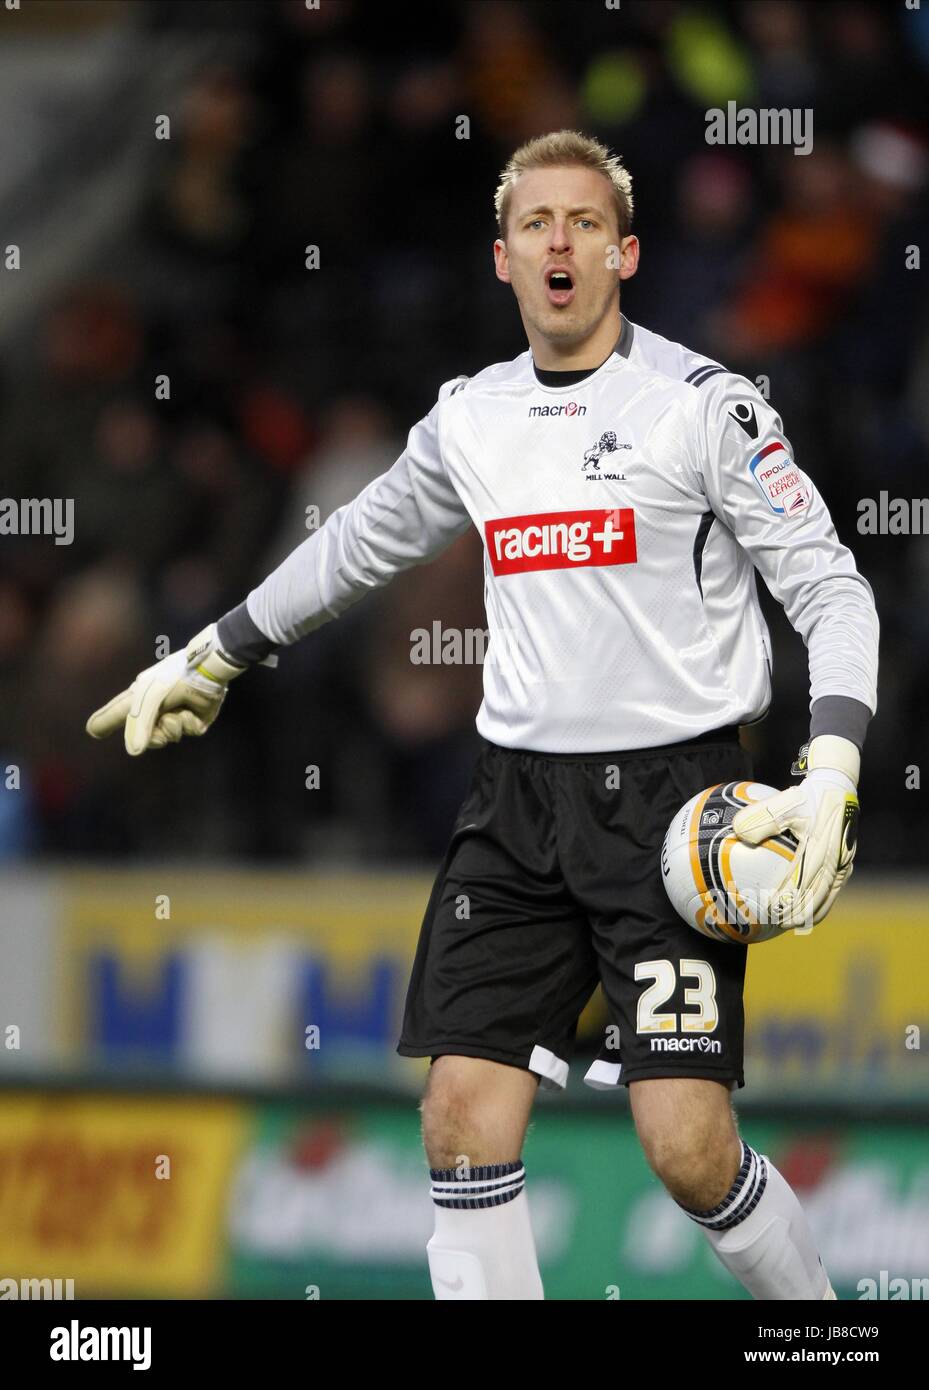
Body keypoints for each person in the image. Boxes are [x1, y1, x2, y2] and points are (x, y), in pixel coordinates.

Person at [87, 130, 878, 1301]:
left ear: (625, 251)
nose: (557, 242)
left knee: (686, 1148)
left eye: (582, 224)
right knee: (459, 1117)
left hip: (672, 815)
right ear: (501, 260)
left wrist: (830, 767)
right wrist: (213, 652)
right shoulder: (471, 418)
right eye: (532, 225)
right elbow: (357, 541)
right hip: (515, 807)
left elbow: (828, 584)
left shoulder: (702, 409)